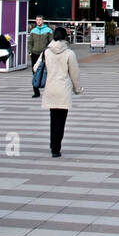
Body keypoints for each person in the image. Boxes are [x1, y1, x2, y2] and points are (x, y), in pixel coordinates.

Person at [36, 25, 82, 158]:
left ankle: (52, 145)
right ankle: (56, 148)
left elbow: (36, 67)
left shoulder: (46, 52)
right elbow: (74, 73)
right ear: (65, 37)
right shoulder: (69, 53)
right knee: (61, 120)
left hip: (50, 88)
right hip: (63, 89)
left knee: (53, 119)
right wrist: (77, 89)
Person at [28, 16, 52, 97]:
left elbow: (51, 42)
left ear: (43, 21)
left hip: (44, 54)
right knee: (34, 72)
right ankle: (36, 91)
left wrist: (48, 52)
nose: (38, 21)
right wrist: (30, 52)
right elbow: (30, 42)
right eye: (37, 20)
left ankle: (48, 91)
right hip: (34, 53)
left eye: (40, 20)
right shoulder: (33, 31)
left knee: (46, 71)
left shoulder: (48, 30)